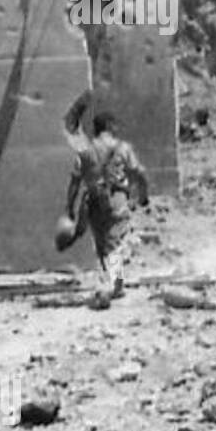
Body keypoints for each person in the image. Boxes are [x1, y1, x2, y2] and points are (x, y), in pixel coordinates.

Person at [62, 95, 150, 310]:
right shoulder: (123, 148)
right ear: (110, 127)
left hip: (93, 202)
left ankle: (115, 283)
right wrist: (143, 195)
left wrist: (70, 207)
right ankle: (113, 286)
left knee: (102, 245)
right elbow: (139, 172)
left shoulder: (84, 152)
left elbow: (75, 182)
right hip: (117, 199)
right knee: (115, 244)